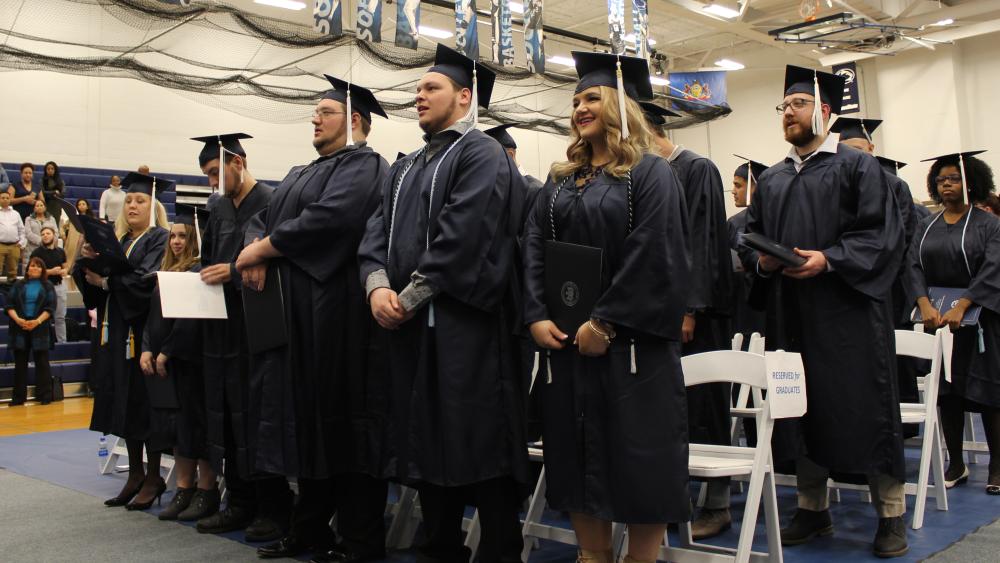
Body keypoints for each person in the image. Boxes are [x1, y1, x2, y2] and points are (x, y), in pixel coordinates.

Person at [358, 44, 528, 563]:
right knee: (424, 439)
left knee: (479, 440)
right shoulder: (406, 165)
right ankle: (440, 545)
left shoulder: (481, 154)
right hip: (411, 327)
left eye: (430, 88)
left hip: (466, 328)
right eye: (417, 88)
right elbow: (373, 234)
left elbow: (463, 238)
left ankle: (499, 549)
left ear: (464, 96)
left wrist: (405, 298)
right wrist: (376, 287)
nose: (418, 96)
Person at [522, 52, 691, 563]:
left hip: (632, 348)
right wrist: (535, 315)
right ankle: (591, 555)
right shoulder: (559, 180)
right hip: (567, 345)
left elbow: (654, 249)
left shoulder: (650, 174)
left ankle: (641, 559)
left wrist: (606, 321)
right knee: (573, 452)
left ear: (619, 104)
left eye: (591, 97)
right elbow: (532, 247)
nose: (579, 107)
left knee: (641, 457)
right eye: (575, 100)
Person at [746, 65, 907, 557]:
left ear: (825, 111)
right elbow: (748, 235)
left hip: (849, 315)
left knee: (867, 408)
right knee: (801, 409)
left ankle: (891, 514)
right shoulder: (771, 179)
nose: (789, 113)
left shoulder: (858, 169)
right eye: (784, 107)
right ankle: (813, 509)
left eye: (797, 104)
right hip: (791, 314)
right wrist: (761, 259)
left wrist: (828, 259)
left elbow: (880, 236)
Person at [235, 77, 391, 563]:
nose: (315, 118)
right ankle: (309, 530)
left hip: (337, 314)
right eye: (315, 112)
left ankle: (359, 541)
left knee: (342, 425)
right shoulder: (303, 169)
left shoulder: (366, 167)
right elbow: (264, 216)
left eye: (325, 111)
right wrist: (255, 249)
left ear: (356, 120)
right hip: (295, 316)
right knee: (306, 423)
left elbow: (331, 219)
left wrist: (264, 247)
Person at [644, 99, 734, 539]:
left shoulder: (696, 169)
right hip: (656, 314)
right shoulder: (641, 173)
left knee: (706, 406)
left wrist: (689, 307)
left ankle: (718, 504)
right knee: (669, 411)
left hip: (695, 315)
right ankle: (672, 499)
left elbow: (702, 243)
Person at [190, 133, 287, 542]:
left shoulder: (271, 202)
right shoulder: (217, 208)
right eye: (207, 176)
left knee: (258, 420)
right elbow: (210, 260)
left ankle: (274, 509)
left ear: (238, 162)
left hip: (256, 329)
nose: (213, 182)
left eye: (215, 172)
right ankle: (240, 504)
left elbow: (278, 263)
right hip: (220, 331)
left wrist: (232, 272)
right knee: (227, 417)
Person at [73, 171, 170, 510]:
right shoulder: (120, 238)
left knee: (146, 403)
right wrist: (87, 259)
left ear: (152, 205)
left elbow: (145, 284)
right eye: (128, 200)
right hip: (116, 332)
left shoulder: (159, 239)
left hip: (143, 332)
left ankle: (155, 473)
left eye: (140, 200)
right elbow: (96, 288)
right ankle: (136, 473)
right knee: (125, 402)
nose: (132, 205)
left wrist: (108, 281)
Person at [908, 151, 1000, 495]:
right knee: (948, 392)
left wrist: (964, 305)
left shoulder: (989, 225)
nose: (946, 185)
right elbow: (912, 265)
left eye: (954, 178)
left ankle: (997, 466)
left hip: (981, 322)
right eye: (941, 180)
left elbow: (994, 268)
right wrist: (923, 303)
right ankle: (956, 464)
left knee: (990, 392)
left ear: (971, 182)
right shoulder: (926, 224)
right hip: (939, 322)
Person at [141, 206, 219, 522]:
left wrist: (166, 352)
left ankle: (206, 489)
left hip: (190, 362)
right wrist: (147, 348)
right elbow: (152, 318)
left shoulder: (197, 272)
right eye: (172, 235)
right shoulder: (166, 272)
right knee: (177, 429)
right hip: (165, 362)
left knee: (197, 427)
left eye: (183, 236)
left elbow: (188, 322)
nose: (175, 242)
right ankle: (183, 488)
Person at [728, 157, 769, 342]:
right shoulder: (733, 223)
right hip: (739, 303)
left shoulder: (772, 218)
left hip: (765, 300)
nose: (733, 191)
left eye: (738, 185)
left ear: (755, 186)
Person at [6, 256, 56, 406]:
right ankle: (18, 397)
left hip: (40, 327)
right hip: (19, 327)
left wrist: (37, 321)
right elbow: (9, 305)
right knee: (20, 364)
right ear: (27, 269)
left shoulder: (48, 286)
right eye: (32, 266)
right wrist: (18, 320)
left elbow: (51, 307)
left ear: (42, 270)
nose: (34, 268)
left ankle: (45, 395)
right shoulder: (18, 285)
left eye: (38, 266)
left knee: (42, 363)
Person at [30, 227, 67, 343]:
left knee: (60, 318)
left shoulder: (61, 251)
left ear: (54, 235)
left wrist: (64, 271)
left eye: (48, 233)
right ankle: (41, 342)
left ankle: (62, 342)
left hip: (59, 286)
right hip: (42, 288)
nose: (45, 235)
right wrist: (51, 272)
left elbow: (65, 267)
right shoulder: (36, 253)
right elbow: (32, 272)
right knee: (41, 317)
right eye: (43, 234)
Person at [0, 191, 26, 285]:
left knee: (13, 271)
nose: (5, 199)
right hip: (0, 245)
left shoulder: (16, 214)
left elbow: (22, 230)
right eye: (3, 198)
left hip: (14, 245)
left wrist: (21, 242)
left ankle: (11, 291)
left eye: (7, 198)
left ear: (10, 199)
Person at [24, 199, 58, 270]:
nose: (39, 207)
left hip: (48, 250)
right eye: (37, 206)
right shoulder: (28, 219)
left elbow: (56, 233)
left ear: (45, 207)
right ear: (34, 208)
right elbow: (28, 233)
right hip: (32, 249)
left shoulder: (52, 219)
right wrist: (42, 241)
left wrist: (49, 242)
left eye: (41, 205)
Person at [39, 161, 65, 226]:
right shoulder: (42, 181)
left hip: (56, 206)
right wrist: (54, 192)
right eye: (48, 169)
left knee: (55, 225)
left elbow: (63, 194)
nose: (50, 170)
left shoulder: (60, 181)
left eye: (52, 169)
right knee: (45, 225)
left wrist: (52, 194)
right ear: (46, 170)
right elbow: (42, 192)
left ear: (55, 170)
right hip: (45, 205)